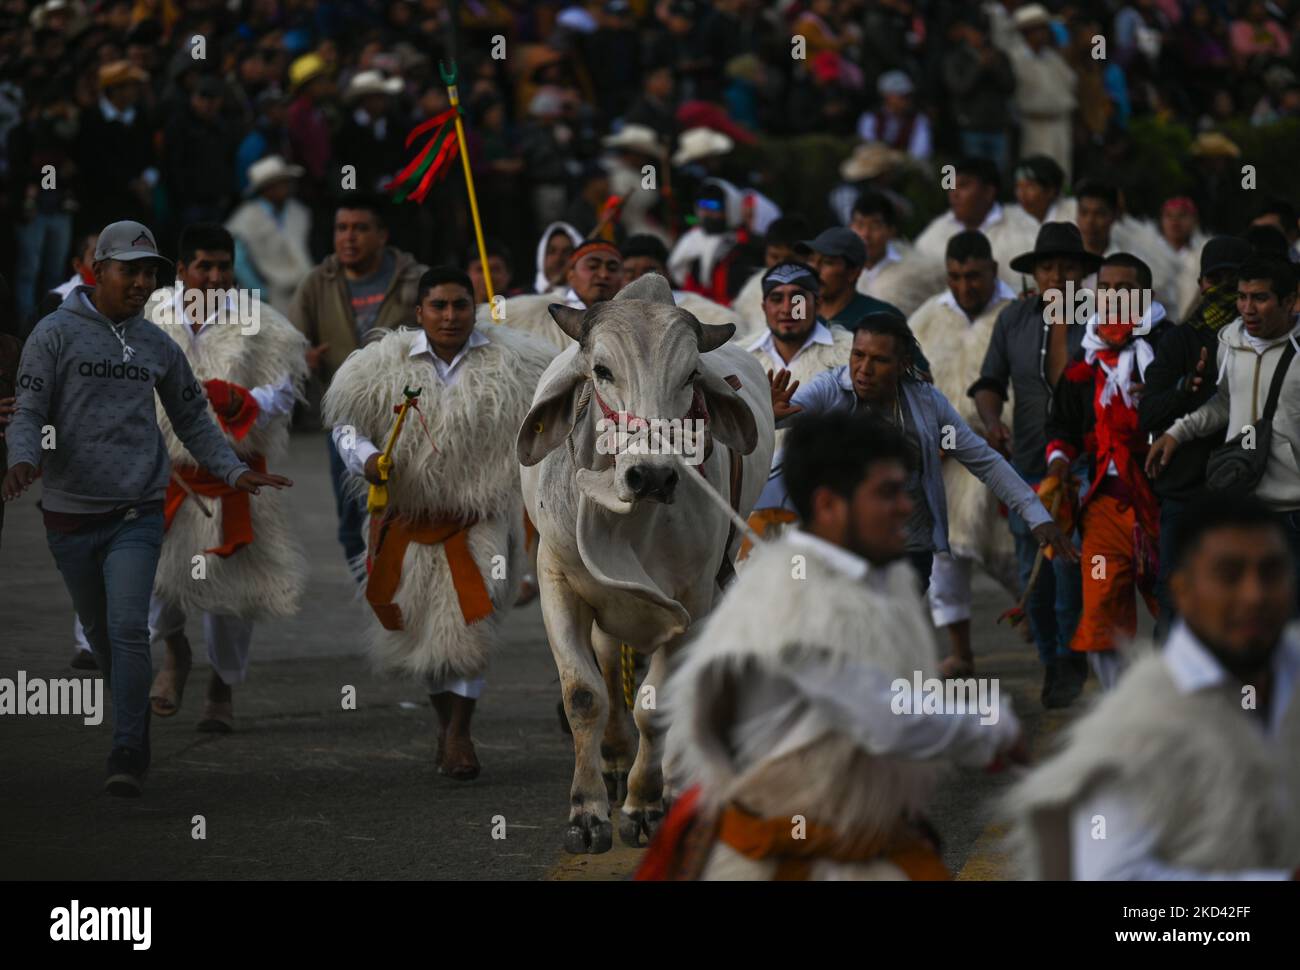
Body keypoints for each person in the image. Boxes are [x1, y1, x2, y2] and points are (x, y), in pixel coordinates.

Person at [641, 412, 1026, 881]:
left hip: (850, 845)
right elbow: (884, 718)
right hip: (778, 863)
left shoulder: (870, 583)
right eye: (886, 493)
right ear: (828, 506)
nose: (906, 507)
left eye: (904, 491)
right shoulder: (796, 600)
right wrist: (994, 728)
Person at [1, 221, 291, 797]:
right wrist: (24, 458)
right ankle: (134, 709)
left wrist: (234, 469)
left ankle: (128, 747)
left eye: (148, 272)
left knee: (130, 628)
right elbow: (29, 408)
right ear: (99, 270)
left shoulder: (156, 343)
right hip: (68, 513)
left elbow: (191, 419)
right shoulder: (53, 334)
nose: (140, 283)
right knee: (103, 636)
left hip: (137, 510)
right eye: (128, 271)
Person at [322, 267, 552, 780]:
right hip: (408, 518)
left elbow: (552, 415)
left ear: (475, 308)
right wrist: (365, 459)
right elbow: (344, 424)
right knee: (424, 631)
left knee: (475, 621)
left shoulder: (518, 362)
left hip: (482, 521)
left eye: (460, 306)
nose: (451, 316)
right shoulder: (378, 366)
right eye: (440, 307)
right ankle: (444, 723)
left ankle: (459, 733)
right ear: (419, 312)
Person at [1005, 494, 1300, 880]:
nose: (1254, 595)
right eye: (1229, 575)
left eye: (1271, 573)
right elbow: (1106, 876)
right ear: (1183, 591)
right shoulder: (1138, 727)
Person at [769, 313, 1074, 593]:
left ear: (902, 364)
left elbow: (985, 462)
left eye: (879, 360)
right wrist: (769, 414)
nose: (864, 370)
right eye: (858, 355)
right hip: (844, 546)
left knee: (900, 640)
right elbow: (791, 410)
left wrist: (1036, 515)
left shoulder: (928, 405)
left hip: (908, 546)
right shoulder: (829, 389)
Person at [142, 224, 309, 732]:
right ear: (182, 270)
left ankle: (222, 687)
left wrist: (244, 401)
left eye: (223, 267)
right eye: (204, 267)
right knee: (154, 585)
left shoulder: (263, 323)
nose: (215, 277)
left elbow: (285, 390)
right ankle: (175, 653)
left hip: (235, 478)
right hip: (163, 473)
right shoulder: (152, 313)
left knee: (232, 597)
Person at [971, 222, 1098, 707]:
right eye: (1048, 267)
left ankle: (1072, 659)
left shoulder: (1103, 320)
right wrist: (990, 421)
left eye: (1068, 266)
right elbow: (989, 382)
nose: (1058, 275)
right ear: (1036, 273)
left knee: (1071, 571)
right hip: (1026, 464)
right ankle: (1051, 660)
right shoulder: (1014, 319)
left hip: (1086, 466)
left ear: (1083, 273)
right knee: (1035, 574)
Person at [289, 198, 428, 586]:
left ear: (382, 235)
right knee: (352, 518)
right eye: (342, 228)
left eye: (360, 228)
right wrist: (304, 361)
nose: (349, 237)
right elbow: (293, 344)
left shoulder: (415, 280)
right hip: (346, 421)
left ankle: (412, 587)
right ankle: (371, 591)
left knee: (412, 506)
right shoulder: (317, 282)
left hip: (408, 415)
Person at [1043, 254, 1166, 691]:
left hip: (1162, 508)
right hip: (1102, 515)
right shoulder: (1085, 358)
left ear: (1144, 295)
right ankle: (1123, 706)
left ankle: (1185, 709)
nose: (1112, 297)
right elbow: (1060, 426)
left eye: (1124, 289)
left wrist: (1160, 403)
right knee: (1099, 615)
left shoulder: (1170, 346)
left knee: (1175, 611)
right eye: (1106, 288)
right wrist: (1058, 463)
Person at [1148, 256, 1300, 608]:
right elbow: (1225, 404)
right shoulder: (1229, 343)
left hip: (1293, 515)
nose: (1248, 308)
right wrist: (1177, 433)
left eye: (1260, 298)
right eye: (1242, 297)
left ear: (1290, 301)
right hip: (1243, 509)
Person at [909, 231, 1021, 677]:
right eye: (955, 276)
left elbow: (1026, 386)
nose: (965, 285)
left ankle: (1046, 632)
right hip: (940, 463)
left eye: (974, 276)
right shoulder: (926, 317)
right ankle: (961, 653)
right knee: (946, 557)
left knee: (1017, 553)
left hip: (1003, 452)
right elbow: (908, 379)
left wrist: (997, 430)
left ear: (993, 271)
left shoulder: (1018, 313)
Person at [1138, 236, 1252, 639]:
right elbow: (1148, 413)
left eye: (1233, 279)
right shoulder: (1180, 340)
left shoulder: (1257, 342)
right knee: (1175, 601)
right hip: (1184, 493)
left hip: (1244, 494)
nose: (1222, 288)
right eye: (1215, 278)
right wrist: (1186, 389)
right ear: (1202, 283)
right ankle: (1170, 695)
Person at [740, 261, 853, 554]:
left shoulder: (850, 356)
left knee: (810, 586)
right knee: (751, 588)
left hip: (822, 502)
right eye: (777, 298)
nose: (788, 308)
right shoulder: (737, 359)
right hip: (750, 503)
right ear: (764, 306)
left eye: (798, 298)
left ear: (817, 301)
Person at [912, 156, 1037, 293]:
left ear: (988, 192)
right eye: (951, 187)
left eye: (963, 186)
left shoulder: (1025, 227)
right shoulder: (934, 234)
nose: (954, 194)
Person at [225, 155, 314, 316]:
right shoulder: (245, 218)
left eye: (285, 182)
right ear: (267, 188)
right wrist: (261, 293)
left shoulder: (299, 212)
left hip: (307, 289)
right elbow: (238, 261)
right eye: (280, 183)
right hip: (274, 296)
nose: (285, 187)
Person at [1001, 4, 1077, 181]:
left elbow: (1071, 84)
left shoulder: (1053, 58)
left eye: (1044, 29)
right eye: (1038, 29)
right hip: (1033, 125)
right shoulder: (1014, 58)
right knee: (1036, 177)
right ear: (1026, 32)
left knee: (1062, 176)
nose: (1043, 34)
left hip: (1060, 124)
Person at [850, 191, 946, 318]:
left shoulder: (915, 270)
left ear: (891, 231)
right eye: (860, 225)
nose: (865, 234)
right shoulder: (844, 270)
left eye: (875, 225)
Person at [802, 227, 903, 331]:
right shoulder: (794, 314)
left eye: (827, 262)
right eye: (811, 260)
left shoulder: (882, 318)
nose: (814, 269)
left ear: (853, 273)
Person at [856, 70, 932, 161]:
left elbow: (920, 153)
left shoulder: (918, 120)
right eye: (902, 96)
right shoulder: (870, 117)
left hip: (907, 167)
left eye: (908, 96)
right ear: (887, 96)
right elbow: (867, 146)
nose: (906, 100)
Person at [533, 221, 584, 295]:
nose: (558, 259)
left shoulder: (588, 303)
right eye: (551, 251)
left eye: (566, 253)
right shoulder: (519, 299)